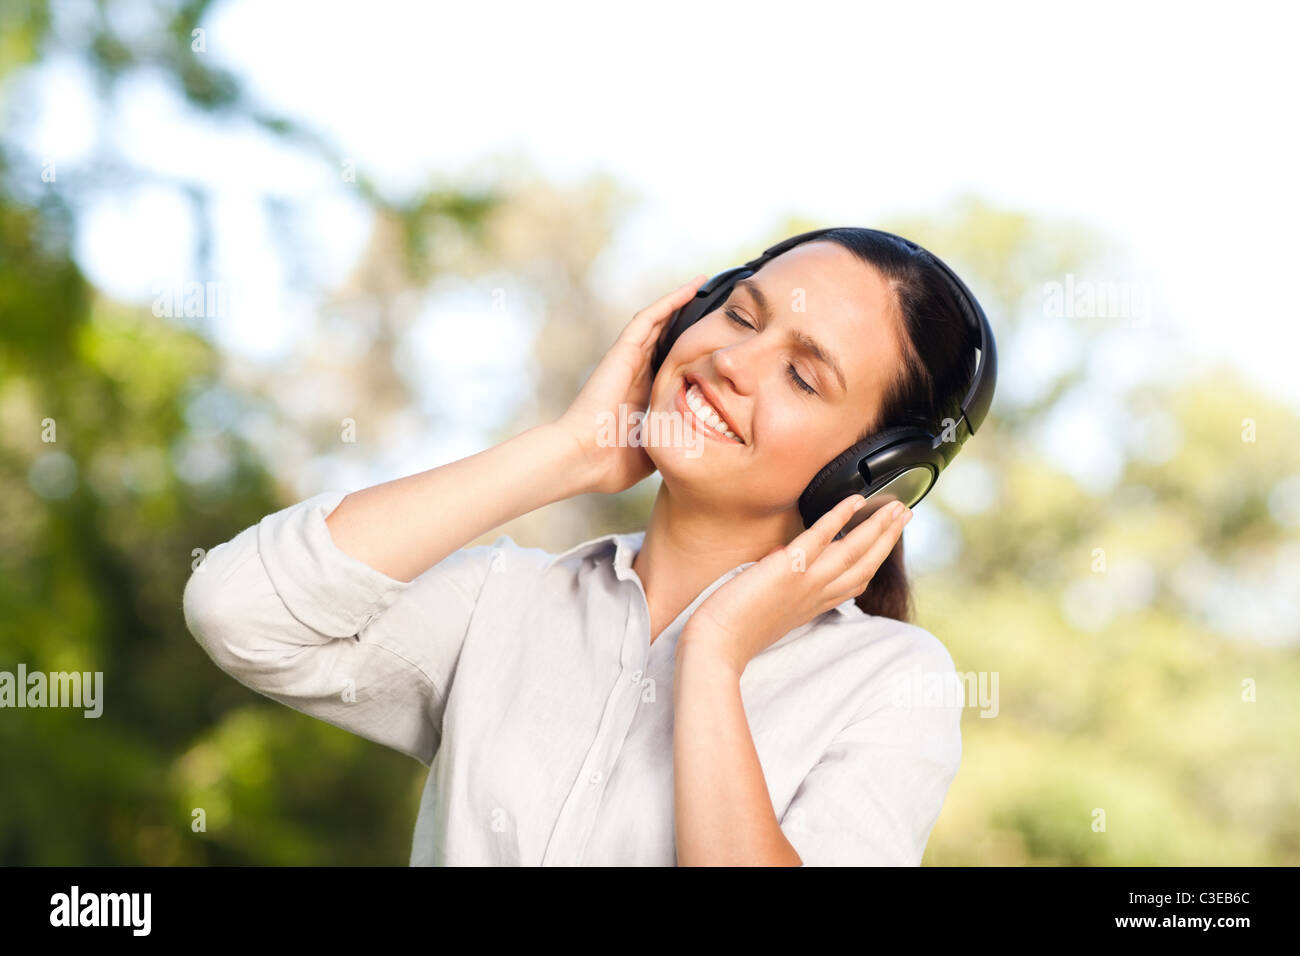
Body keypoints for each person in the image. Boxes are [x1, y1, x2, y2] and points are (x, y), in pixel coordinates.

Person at [182, 228, 978, 866]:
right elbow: (237, 611)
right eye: (738, 315)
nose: (730, 361)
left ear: (873, 474)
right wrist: (569, 450)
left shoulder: (890, 685)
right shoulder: (503, 601)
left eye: (803, 377)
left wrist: (715, 653)